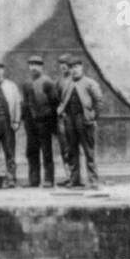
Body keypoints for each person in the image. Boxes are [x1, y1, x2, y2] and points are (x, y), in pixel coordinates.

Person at [57, 57, 105, 188]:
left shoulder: (90, 83)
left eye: (76, 67)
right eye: (71, 68)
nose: (74, 70)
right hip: (70, 121)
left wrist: (93, 117)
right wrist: (61, 112)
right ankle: (74, 179)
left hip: (84, 120)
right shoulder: (66, 84)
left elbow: (99, 102)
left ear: (82, 67)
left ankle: (93, 181)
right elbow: (61, 100)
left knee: (89, 151)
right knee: (72, 151)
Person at [22, 55, 59, 187]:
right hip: (30, 123)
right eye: (31, 65)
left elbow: (54, 103)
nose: (33, 68)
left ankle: (49, 179)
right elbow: (25, 104)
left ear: (41, 67)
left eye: (36, 65)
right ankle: (34, 180)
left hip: (44, 122)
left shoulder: (47, 82)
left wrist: (53, 124)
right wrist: (25, 121)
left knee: (46, 152)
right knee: (32, 152)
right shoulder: (26, 84)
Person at [55, 53, 76, 184]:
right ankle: (69, 176)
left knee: (74, 148)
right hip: (62, 119)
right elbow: (56, 100)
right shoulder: (58, 81)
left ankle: (76, 177)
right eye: (61, 65)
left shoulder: (76, 80)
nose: (63, 67)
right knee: (65, 149)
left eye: (66, 65)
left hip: (75, 118)